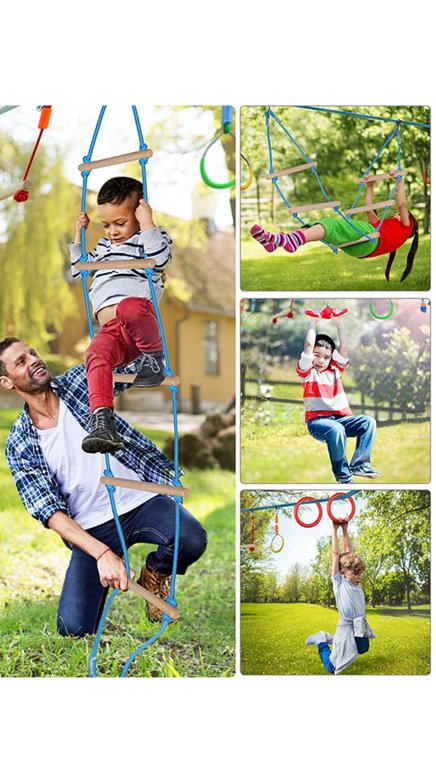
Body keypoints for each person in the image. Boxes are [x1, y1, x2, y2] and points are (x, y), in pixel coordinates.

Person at [0, 337, 207, 637]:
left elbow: (141, 365)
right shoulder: (20, 443)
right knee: (73, 629)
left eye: (32, 353)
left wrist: (138, 326)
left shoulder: (80, 381)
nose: (33, 360)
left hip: (140, 501)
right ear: (6, 381)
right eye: (20, 362)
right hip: (92, 528)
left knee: (191, 539)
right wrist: (102, 553)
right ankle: (99, 573)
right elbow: (49, 513)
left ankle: (155, 571)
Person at [70, 176, 172, 454]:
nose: (113, 231)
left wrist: (148, 222)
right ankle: (103, 421)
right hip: (111, 331)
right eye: (106, 224)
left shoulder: (147, 239)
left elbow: (161, 259)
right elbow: (78, 270)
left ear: (138, 214)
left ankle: (154, 358)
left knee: (129, 306)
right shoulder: (103, 248)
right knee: (95, 353)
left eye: (120, 223)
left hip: (137, 324)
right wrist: (78, 235)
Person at [250, 171, 419, 280]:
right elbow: (370, 211)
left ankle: (291, 240)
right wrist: (370, 187)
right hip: (360, 250)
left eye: (399, 215)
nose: (395, 214)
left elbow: (402, 205)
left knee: (332, 224)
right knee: (323, 227)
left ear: (409, 221)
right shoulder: (388, 226)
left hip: (371, 239)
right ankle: (276, 241)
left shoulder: (406, 226)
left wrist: (400, 181)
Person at [296, 312, 379, 483]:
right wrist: (313, 322)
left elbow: (344, 346)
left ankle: (359, 464)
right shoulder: (307, 372)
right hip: (318, 423)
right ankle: (343, 475)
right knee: (335, 429)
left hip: (342, 420)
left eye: (326, 357)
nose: (321, 360)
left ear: (331, 358)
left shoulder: (336, 370)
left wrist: (339, 322)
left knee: (368, 422)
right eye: (317, 355)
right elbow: (309, 345)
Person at [306, 518, 375, 674]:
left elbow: (349, 553)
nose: (359, 576)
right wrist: (334, 529)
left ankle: (332, 639)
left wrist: (345, 529)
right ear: (342, 572)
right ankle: (321, 641)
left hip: (359, 622)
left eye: (360, 572)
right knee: (333, 667)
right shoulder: (339, 582)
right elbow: (336, 554)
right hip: (346, 625)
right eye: (355, 572)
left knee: (363, 649)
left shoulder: (355, 581)